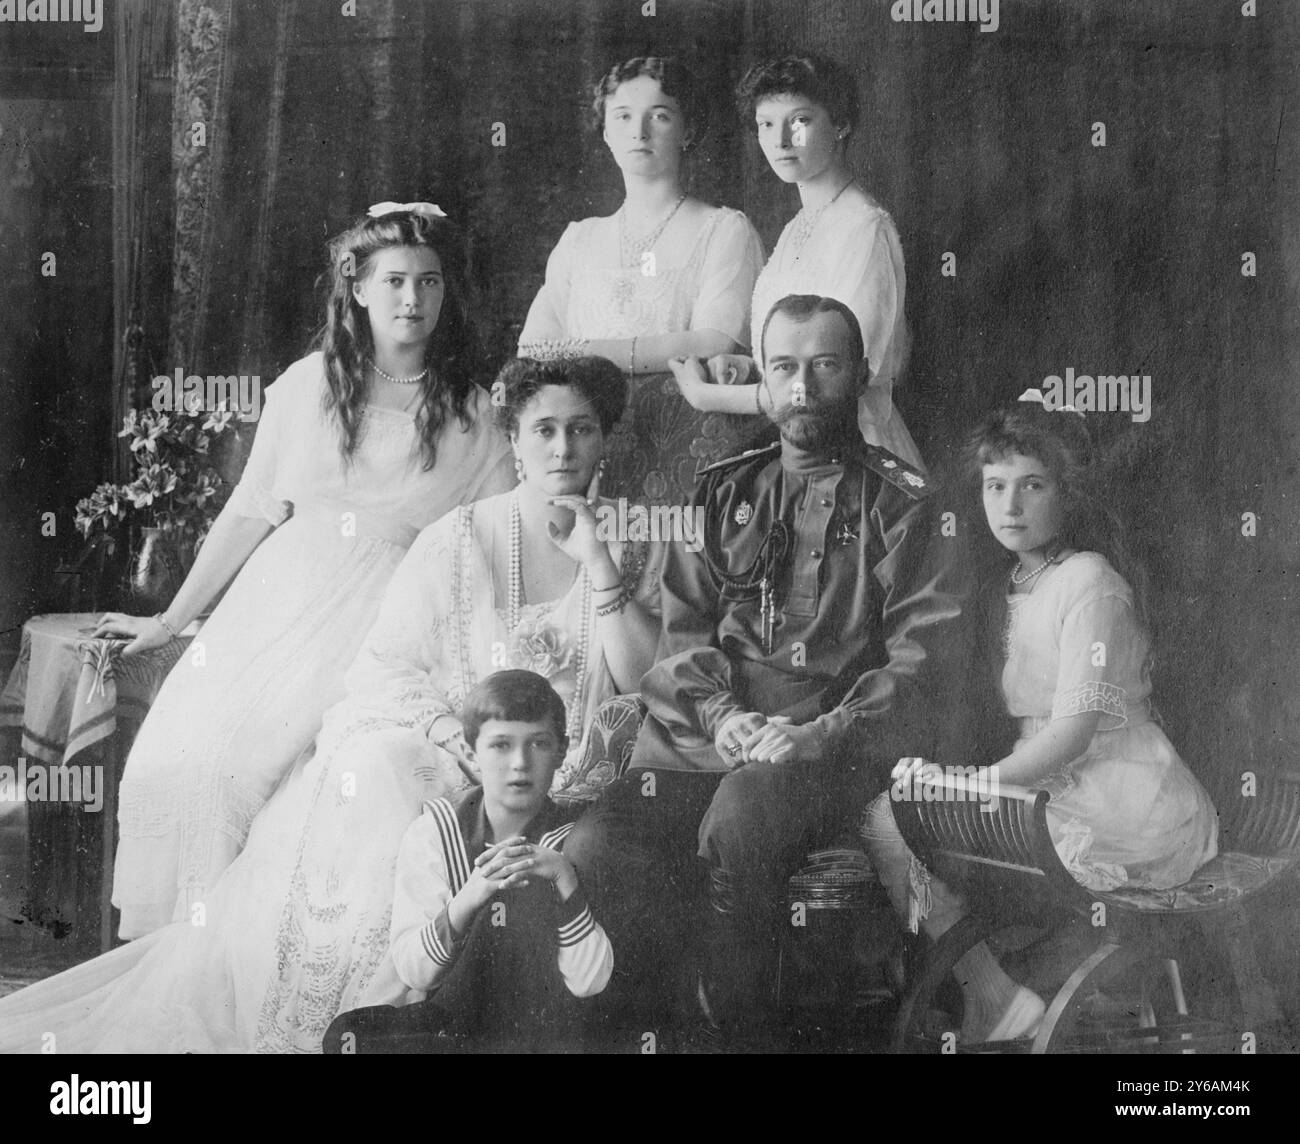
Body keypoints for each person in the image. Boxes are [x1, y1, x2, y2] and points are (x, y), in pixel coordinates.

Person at [0, 356, 659, 1054]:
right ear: (516, 441)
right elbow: (384, 665)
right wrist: (444, 731)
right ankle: (360, 1023)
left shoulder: (635, 537)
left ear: (604, 440)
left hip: (573, 766)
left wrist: (599, 562)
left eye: (581, 430)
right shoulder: (458, 538)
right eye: (544, 430)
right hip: (454, 752)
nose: (563, 449)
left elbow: (640, 675)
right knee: (379, 771)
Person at [95, 203, 513, 938]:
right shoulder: (308, 386)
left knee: (284, 789)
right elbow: (249, 511)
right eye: (394, 282)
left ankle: (249, 967)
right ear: (356, 288)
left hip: (386, 618)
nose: (412, 300)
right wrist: (168, 620)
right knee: (182, 765)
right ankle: (182, 955)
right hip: (277, 601)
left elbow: (496, 547)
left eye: (430, 282)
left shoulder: (474, 417)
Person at [564, 294, 967, 1048]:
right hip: (708, 737)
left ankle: (737, 1043)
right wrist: (726, 717)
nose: (804, 388)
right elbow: (682, 640)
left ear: (861, 372)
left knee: (741, 817)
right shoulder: (723, 491)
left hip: (838, 753)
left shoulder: (906, 506)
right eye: (785, 367)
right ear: (765, 376)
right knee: (598, 846)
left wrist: (819, 734)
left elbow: (923, 666)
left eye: (825, 366)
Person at [860, 402, 1219, 1043]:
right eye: (995, 486)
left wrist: (972, 782)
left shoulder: (1090, 581)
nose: (1011, 505)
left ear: (1067, 491)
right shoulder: (1007, 585)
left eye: (1033, 484)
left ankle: (1001, 999)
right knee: (893, 817)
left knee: (906, 814)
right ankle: (994, 995)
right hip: (1045, 782)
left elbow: (1075, 732)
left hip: (1119, 793)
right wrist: (945, 775)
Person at [518, 55, 766, 506]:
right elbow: (532, 349)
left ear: (688, 131)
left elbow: (717, 341)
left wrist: (588, 350)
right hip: (580, 458)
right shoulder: (579, 239)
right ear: (607, 133)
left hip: (681, 460)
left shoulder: (724, 230)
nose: (640, 131)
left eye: (661, 115)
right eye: (624, 117)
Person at [322, 670, 613, 1054]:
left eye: (539, 744)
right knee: (349, 1035)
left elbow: (590, 983)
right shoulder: (437, 831)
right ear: (472, 754)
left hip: (541, 1030)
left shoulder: (574, 840)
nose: (520, 763)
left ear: (562, 750)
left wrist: (564, 878)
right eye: (501, 746)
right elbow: (414, 971)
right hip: (455, 1025)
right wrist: (470, 895)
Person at [668, 54, 924, 469]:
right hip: (794, 444)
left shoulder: (863, 228)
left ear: (840, 124)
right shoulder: (799, 226)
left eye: (799, 121)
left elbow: (828, 385)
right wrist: (749, 364)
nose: (781, 140)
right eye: (766, 124)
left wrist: (706, 395)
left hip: (847, 454)